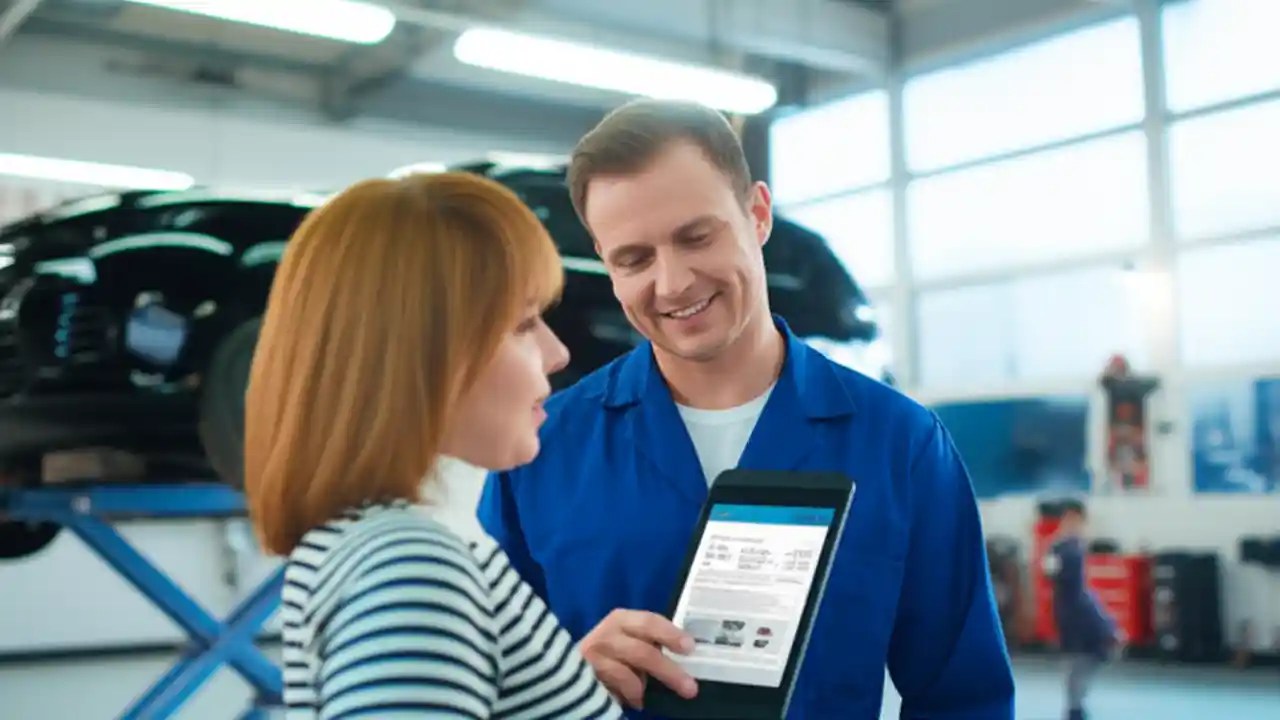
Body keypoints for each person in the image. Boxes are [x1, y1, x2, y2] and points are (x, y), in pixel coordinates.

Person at [477, 99, 1016, 718]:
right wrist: (564, 679)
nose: (673, 282)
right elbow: (485, 684)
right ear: (606, 261)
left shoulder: (900, 445)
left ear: (758, 214)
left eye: (696, 237)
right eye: (635, 259)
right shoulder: (544, 450)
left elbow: (963, 697)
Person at [243, 172, 623, 719]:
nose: (556, 352)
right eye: (522, 325)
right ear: (428, 355)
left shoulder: (370, 545)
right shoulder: (412, 568)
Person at [1046, 501, 1122, 720]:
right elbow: (1054, 575)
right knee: (1076, 662)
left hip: (1077, 609)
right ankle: (1075, 707)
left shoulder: (1071, 546)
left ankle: (1076, 706)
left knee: (1085, 660)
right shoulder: (1063, 547)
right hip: (1069, 611)